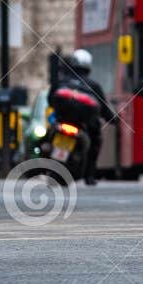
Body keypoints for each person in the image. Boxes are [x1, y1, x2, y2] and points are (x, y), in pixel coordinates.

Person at [58, 48, 114, 186]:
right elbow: (103, 108)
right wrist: (112, 119)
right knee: (96, 139)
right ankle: (89, 176)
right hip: (84, 124)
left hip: (63, 121)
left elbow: (50, 99)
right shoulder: (93, 85)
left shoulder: (62, 82)